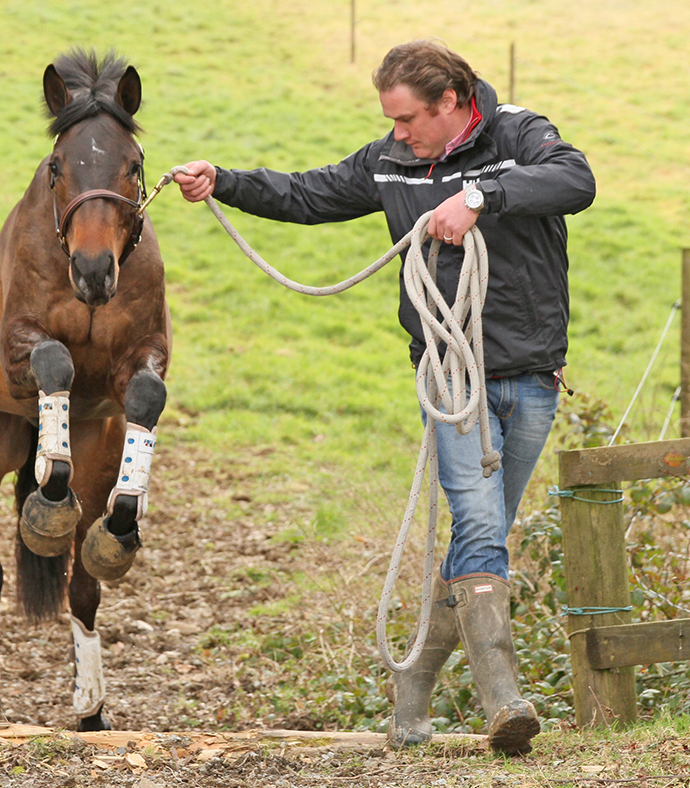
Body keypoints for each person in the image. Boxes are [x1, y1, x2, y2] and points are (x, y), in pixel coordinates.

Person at [174, 39, 595, 755]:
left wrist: (478, 197)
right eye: (392, 121)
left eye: (407, 119)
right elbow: (306, 194)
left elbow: (574, 180)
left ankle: (412, 692)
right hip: (450, 370)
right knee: (480, 525)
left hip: (531, 372)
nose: (398, 133)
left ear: (450, 102)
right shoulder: (390, 162)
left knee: (480, 538)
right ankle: (504, 701)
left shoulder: (516, 134)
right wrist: (225, 181)